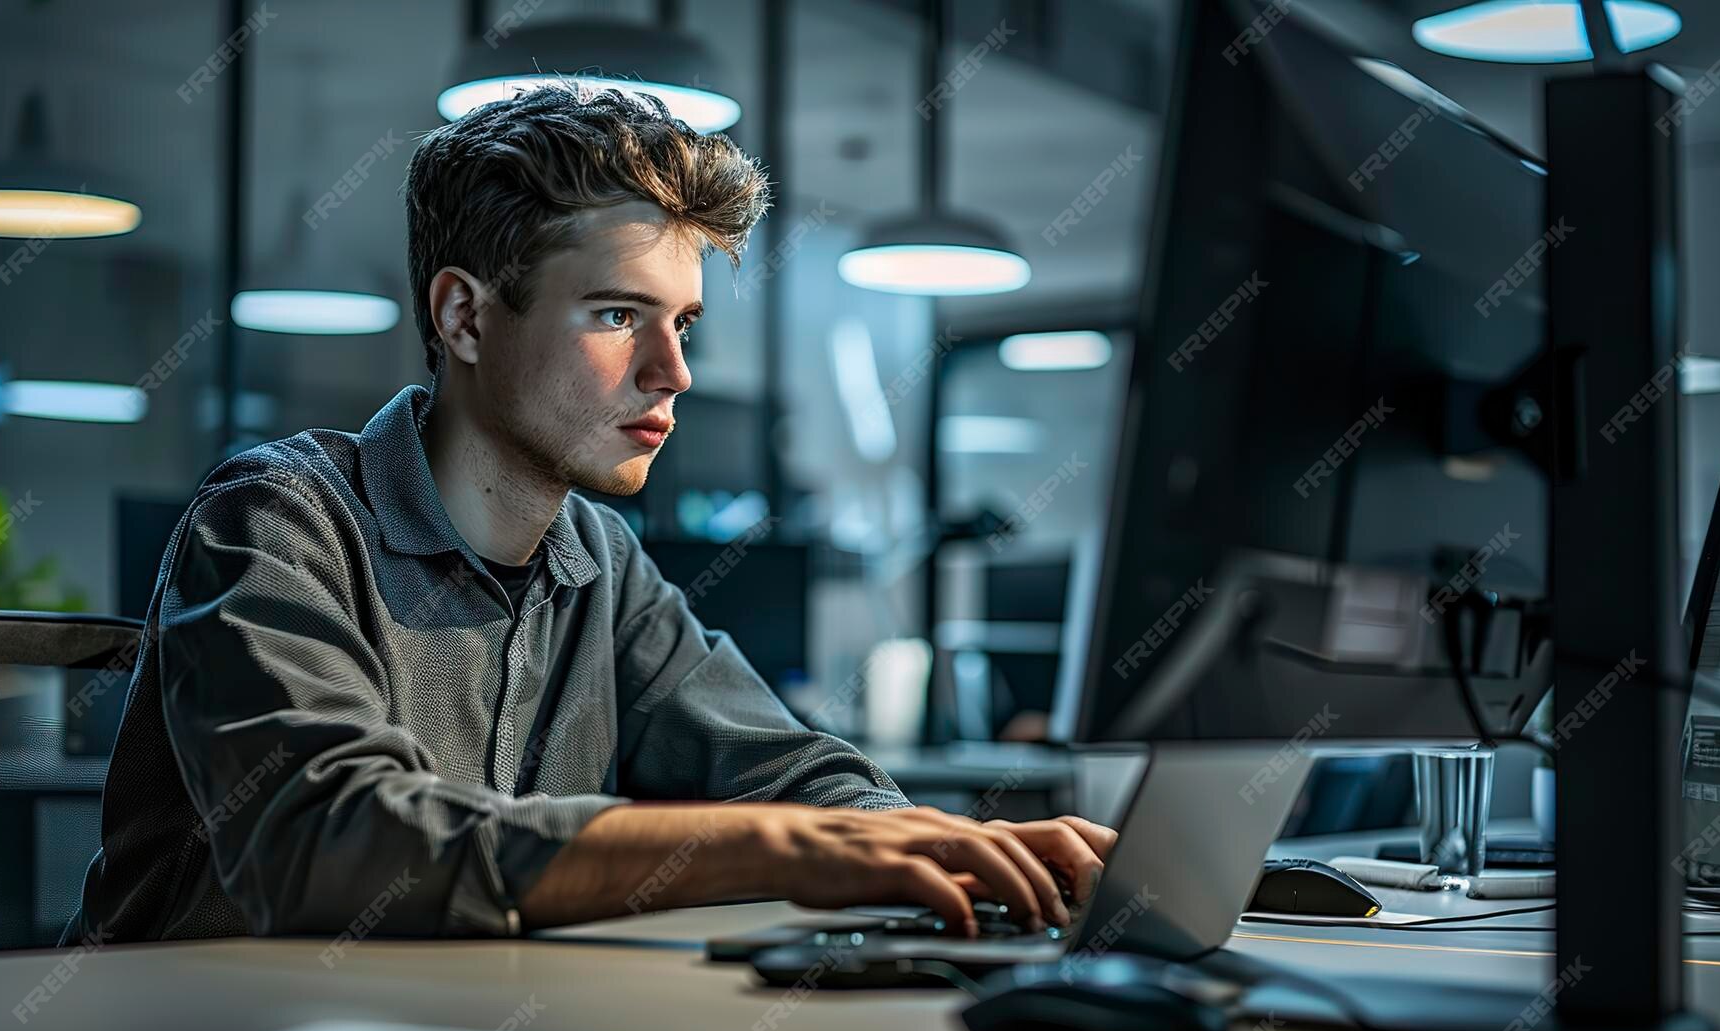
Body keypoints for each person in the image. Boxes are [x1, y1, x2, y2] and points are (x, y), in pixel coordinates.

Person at [64, 83, 1113, 946]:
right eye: (618, 315)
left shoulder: (597, 562)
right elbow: (332, 846)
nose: (674, 372)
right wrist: (777, 848)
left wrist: (931, 849)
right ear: (464, 316)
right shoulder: (275, 519)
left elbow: (787, 769)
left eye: (684, 323)